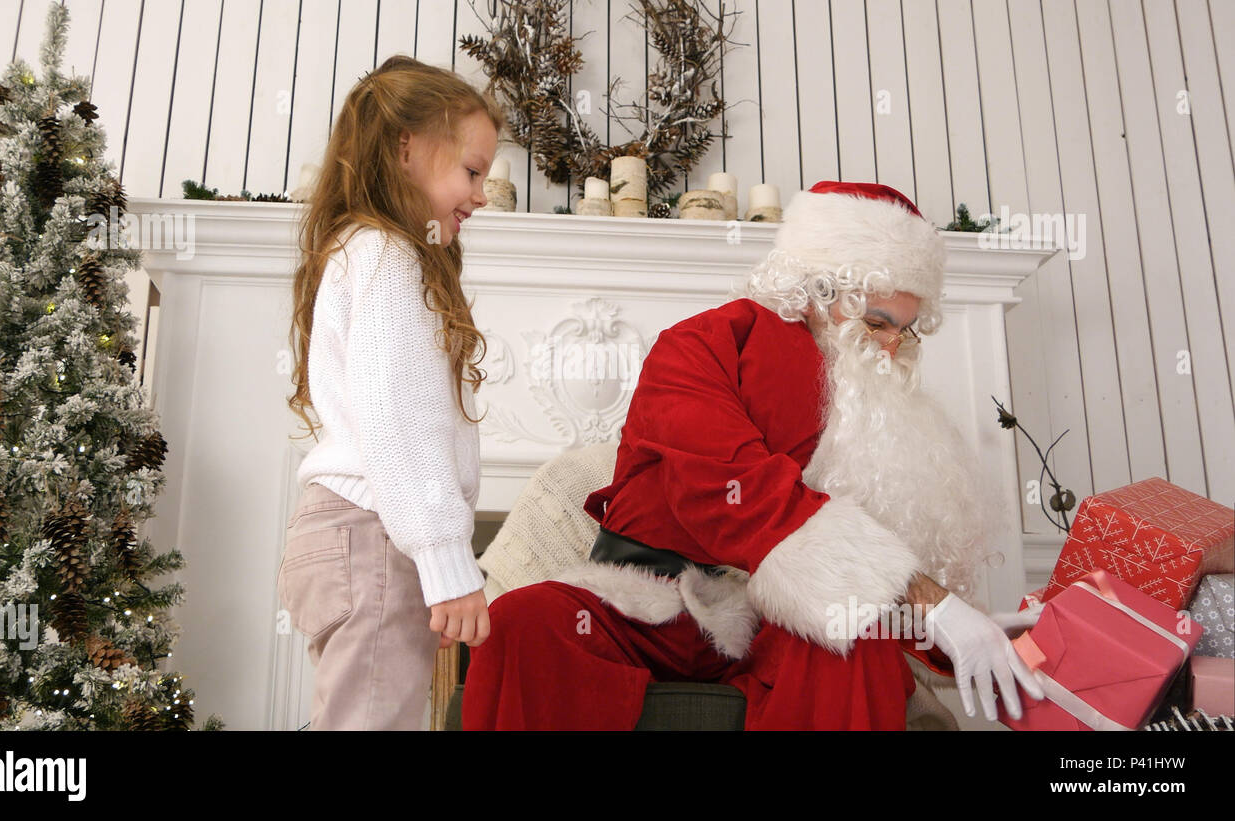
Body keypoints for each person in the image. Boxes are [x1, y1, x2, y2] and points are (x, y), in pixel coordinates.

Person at [461, 180, 1045, 730]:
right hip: (646, 600)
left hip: (776, 622)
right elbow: (736, 494)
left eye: (907, 331)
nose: (893, 345)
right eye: (877, 322)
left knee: (853, 643)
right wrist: (935, 605)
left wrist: (944, 624)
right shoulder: (700, 347)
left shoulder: (882, 413)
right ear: (818, 291)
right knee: (523, 626)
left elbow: (874, 567)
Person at [280, 56, 505, 730]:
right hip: (371, 532)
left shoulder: (362, 249)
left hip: (355, 536)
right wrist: (445, 562)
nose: (482, 194)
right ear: (407, 148)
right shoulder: (386, 253)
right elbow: (401, 421)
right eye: (472, 171)